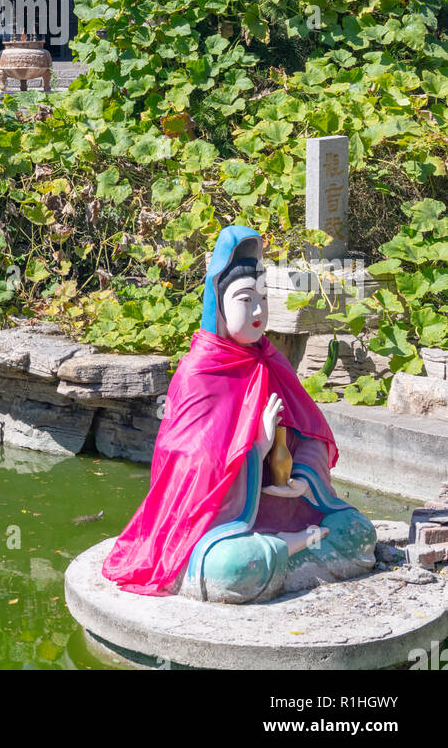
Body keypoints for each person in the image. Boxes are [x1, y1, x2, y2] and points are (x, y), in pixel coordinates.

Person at [102, 224, 376, 602]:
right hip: (223, 526)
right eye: (245, 300)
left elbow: (307, 434)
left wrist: (303, 478)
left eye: (262, 299)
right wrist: (256, 450)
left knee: (358, 532)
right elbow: (189, 463)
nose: (258, 310)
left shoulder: (270, 361)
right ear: (219, 304)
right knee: (230, 568)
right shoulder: (200, 371)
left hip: (285, 507)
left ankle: (289, 546)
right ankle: (288, 548)